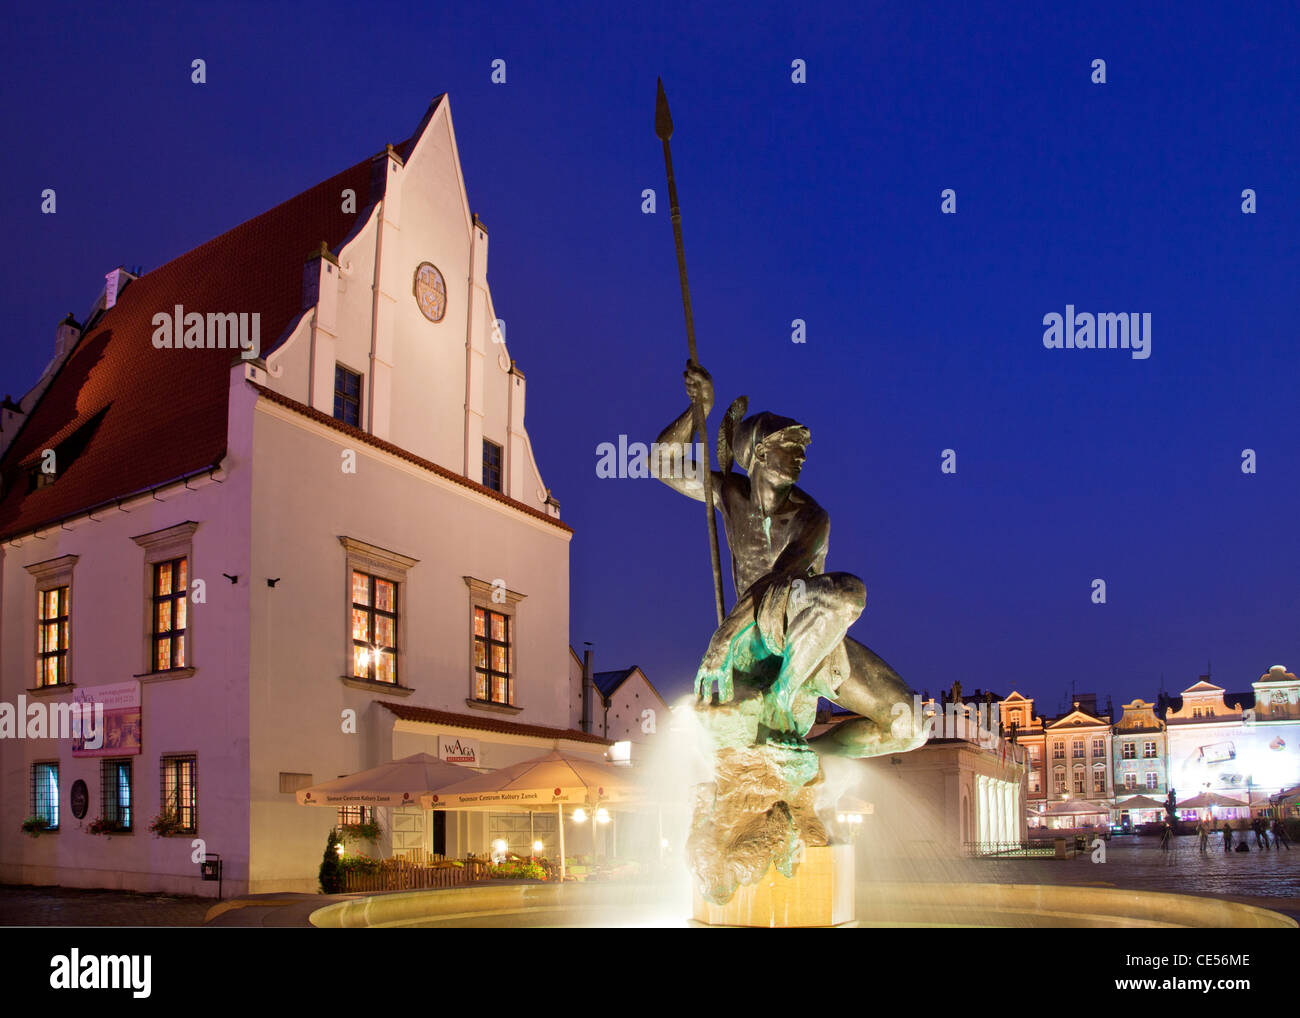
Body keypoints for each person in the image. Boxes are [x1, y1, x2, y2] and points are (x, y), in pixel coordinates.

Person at [656, 363, 924, 753]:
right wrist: (701, 407)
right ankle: (780, 705)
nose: (801, 456)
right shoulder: (729, 492)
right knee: (846, 594)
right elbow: (662, 465)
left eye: (801, 449)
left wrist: (721, 639)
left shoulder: (811, 516)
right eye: (791, 447)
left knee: (911, 726)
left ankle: (804, 751)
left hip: (806, 628)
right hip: (757, 633)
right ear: (760, 452)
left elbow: (781, 581)